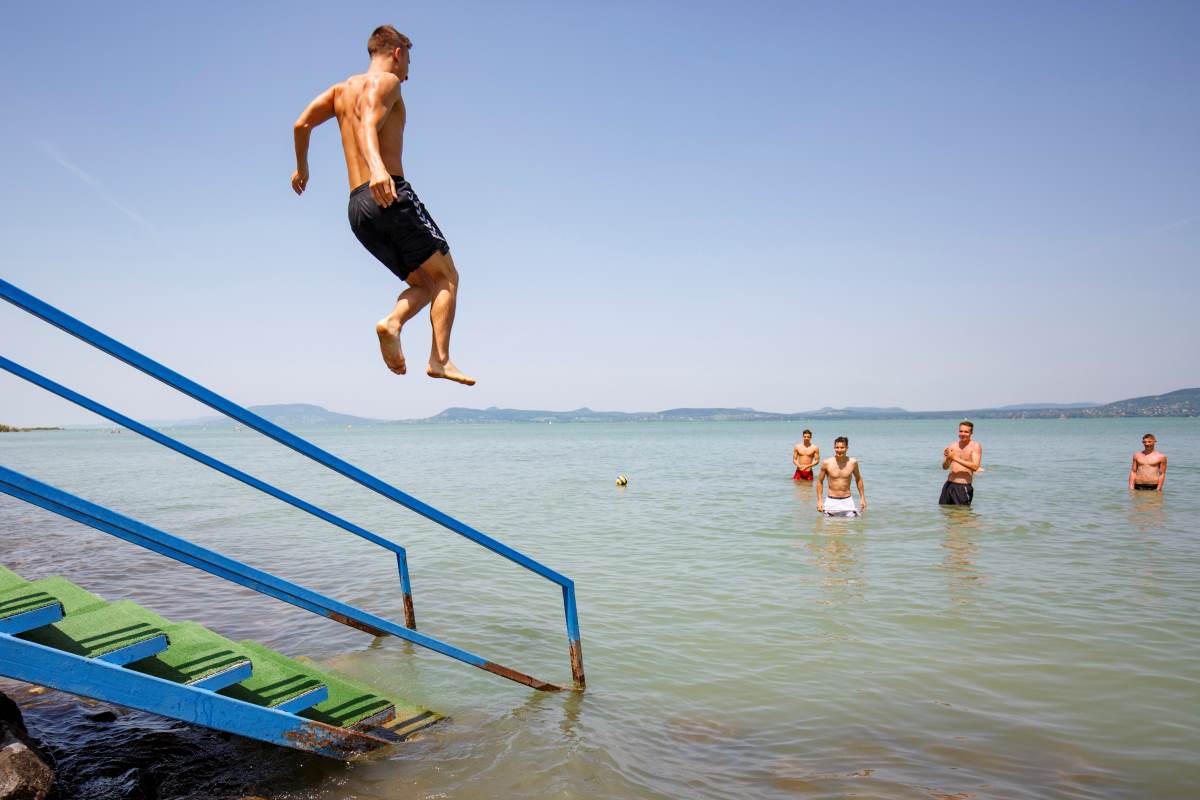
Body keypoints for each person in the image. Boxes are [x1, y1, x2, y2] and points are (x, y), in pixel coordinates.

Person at [290, 25, 474, 385]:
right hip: (388, 192)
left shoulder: (339, 92)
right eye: (408, 63)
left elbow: (301, 125)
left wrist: (302, 167)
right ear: (396, 53)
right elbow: (369, 123)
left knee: (425, 284)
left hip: (358, 209)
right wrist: (378, 169)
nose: (408, 75)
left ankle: (393, 322)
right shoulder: (387, 82)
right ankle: (439, 359)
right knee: (448, 277)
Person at [816, 436, 866, 517]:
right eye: (837, 447)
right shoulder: (827, 463)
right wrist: (820, 500)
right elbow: (819, 481)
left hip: (847, 501)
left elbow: (858, 479)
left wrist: (862, 498)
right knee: (829, 528)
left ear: (847, 448)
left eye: (842, 447)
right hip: (831, 501)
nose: (839, 450)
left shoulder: (853, 463)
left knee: (849, 527)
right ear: (834, 448)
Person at [940, 420, 982, 505]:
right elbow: (945, 467)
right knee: (945, 514)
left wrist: (954, 458)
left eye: (966, 432)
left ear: (971, 433)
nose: (963, 434)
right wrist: (948, 458)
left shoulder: (975, 446)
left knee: (962, 516)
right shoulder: (952, 445)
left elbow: (975, 467)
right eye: (961, 431)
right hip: (948, 485)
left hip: (963, 487)